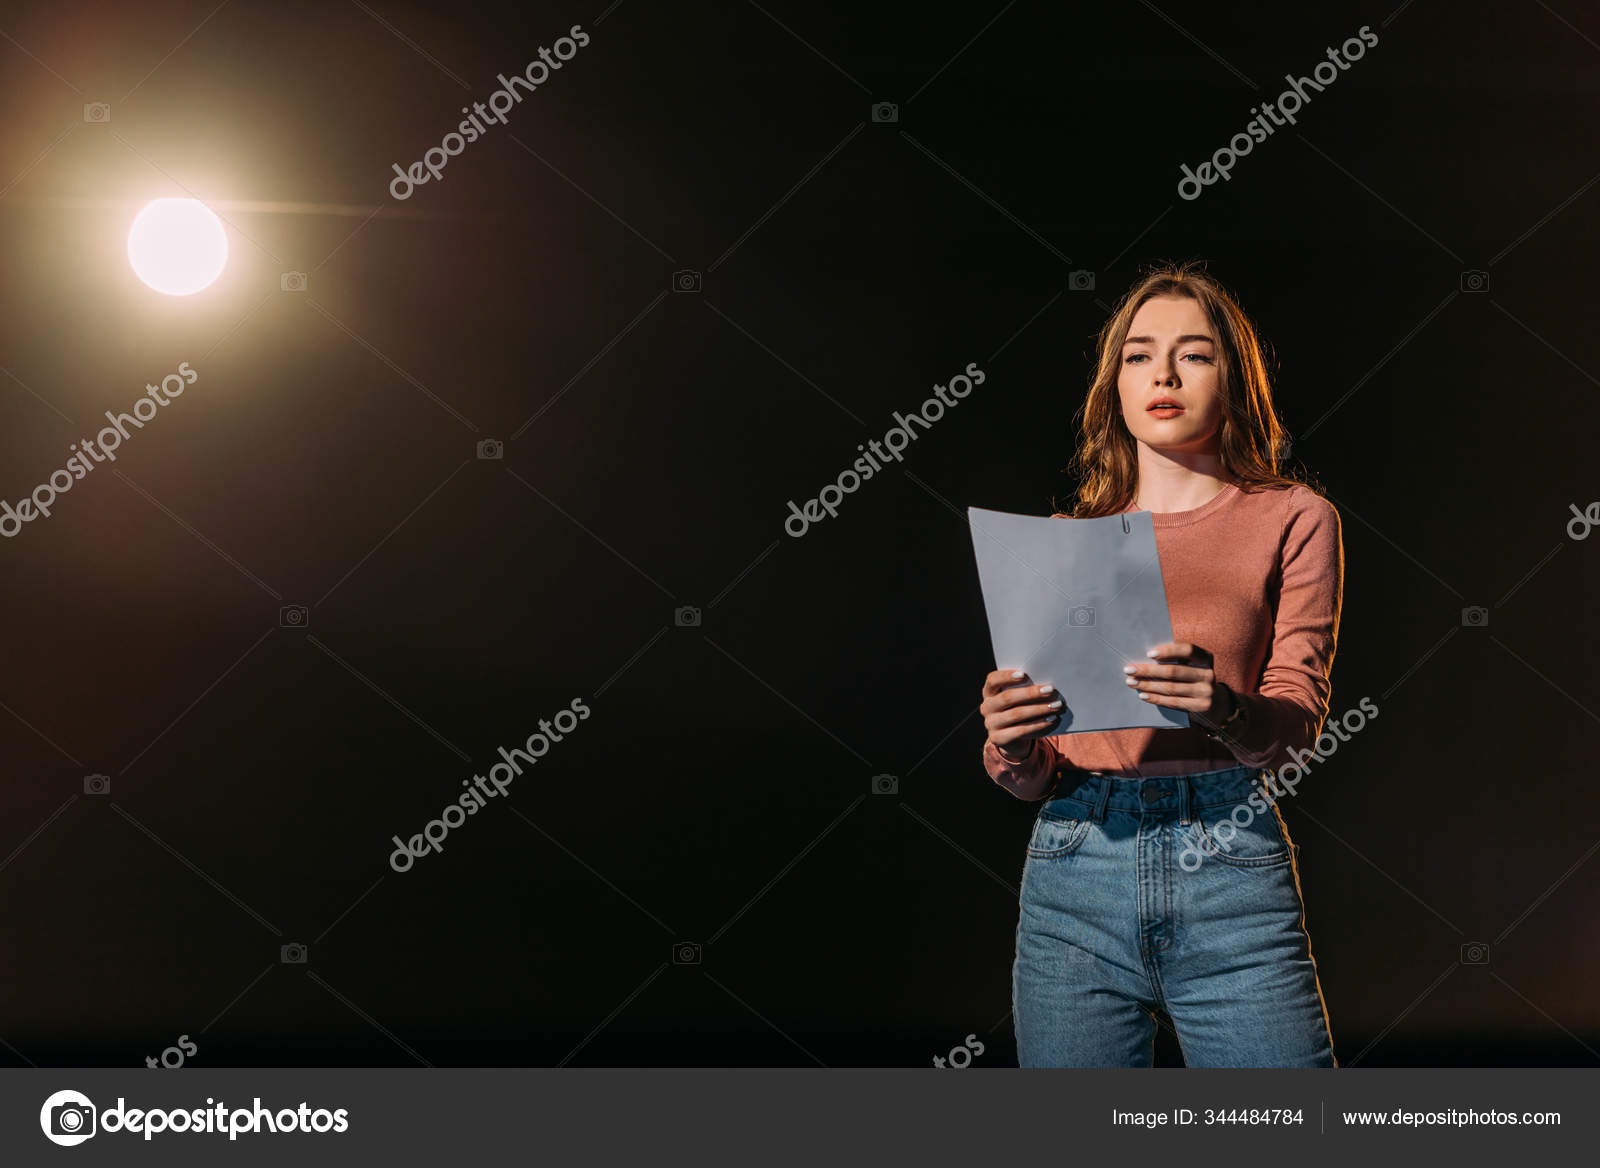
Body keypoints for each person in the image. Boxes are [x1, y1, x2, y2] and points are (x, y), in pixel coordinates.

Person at [978, 261, 1343, 1068]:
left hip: (1230, 860)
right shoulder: (1066, 537)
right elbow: (1033, 773)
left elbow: (1297, 727)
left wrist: (1226, 708)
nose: (1165, 374)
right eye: (1140, 355)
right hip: (1076, 860)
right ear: (1115, 383)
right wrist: (1008, 741)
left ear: (1235, 379)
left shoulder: (1295, 517)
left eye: (1195, 354)